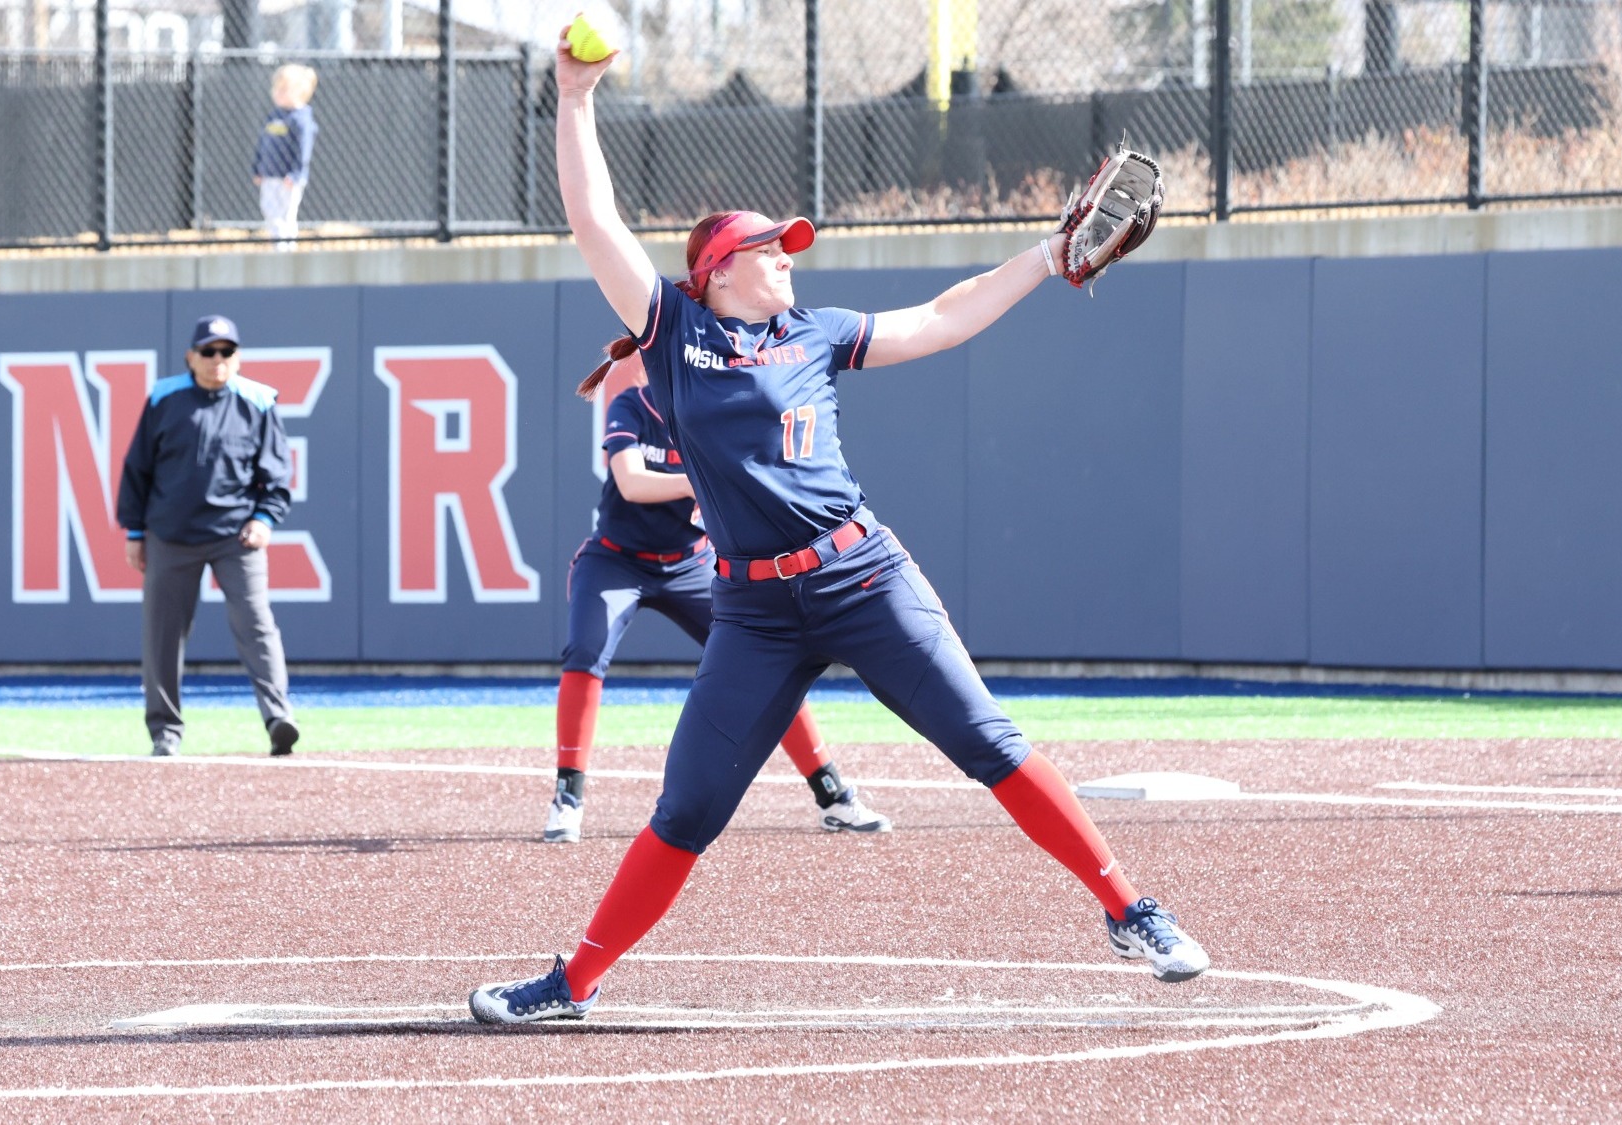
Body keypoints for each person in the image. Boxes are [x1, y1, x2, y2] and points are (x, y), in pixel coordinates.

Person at [468, 30, 1208, 1025]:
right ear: (718, 268)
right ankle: (573, 982)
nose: (786, 258)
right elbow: (593, 218)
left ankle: (1130, 908)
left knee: (987, 741)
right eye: (769, 249)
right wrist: (572, 99)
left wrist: (1041, 256)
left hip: (860, 577)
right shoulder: (676, 333)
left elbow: (939, 317)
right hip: (753, 611)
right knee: (684, 811)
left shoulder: (812, 332)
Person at [546, 341, 891, 844]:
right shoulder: (631, 405)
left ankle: (832, 794)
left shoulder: (716, 405)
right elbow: (632, 483)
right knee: (584, 651)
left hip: (693, 562)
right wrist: (698, 482)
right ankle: (567, 798)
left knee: (768, 661)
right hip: (617, 559)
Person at [118, 314, 300, 759]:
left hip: (235, 534)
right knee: (163, 634)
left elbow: (276, 472)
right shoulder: (165, 397)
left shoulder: (257, 400)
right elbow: (138, 468)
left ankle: (278, 719)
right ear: (190, 356)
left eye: (227, 351)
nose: (218, 359)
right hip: (171, 534)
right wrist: (136, 531)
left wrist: (264, 518)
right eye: (209, 351)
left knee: (256, 623)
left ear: (237, 358)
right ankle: (165, 733)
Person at [252, 63, 318, 250]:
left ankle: (287, 247)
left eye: (283, 89)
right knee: (269, 210)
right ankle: (279, 244)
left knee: (286, 214)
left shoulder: (301, 120)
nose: (276, 93)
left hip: (288, 179)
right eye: (276, 88)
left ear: (298, 92)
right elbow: (263, 144)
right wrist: (257, 168)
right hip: (270, 176)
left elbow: (303, 151)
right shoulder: (274, 116)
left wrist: (297, 174)